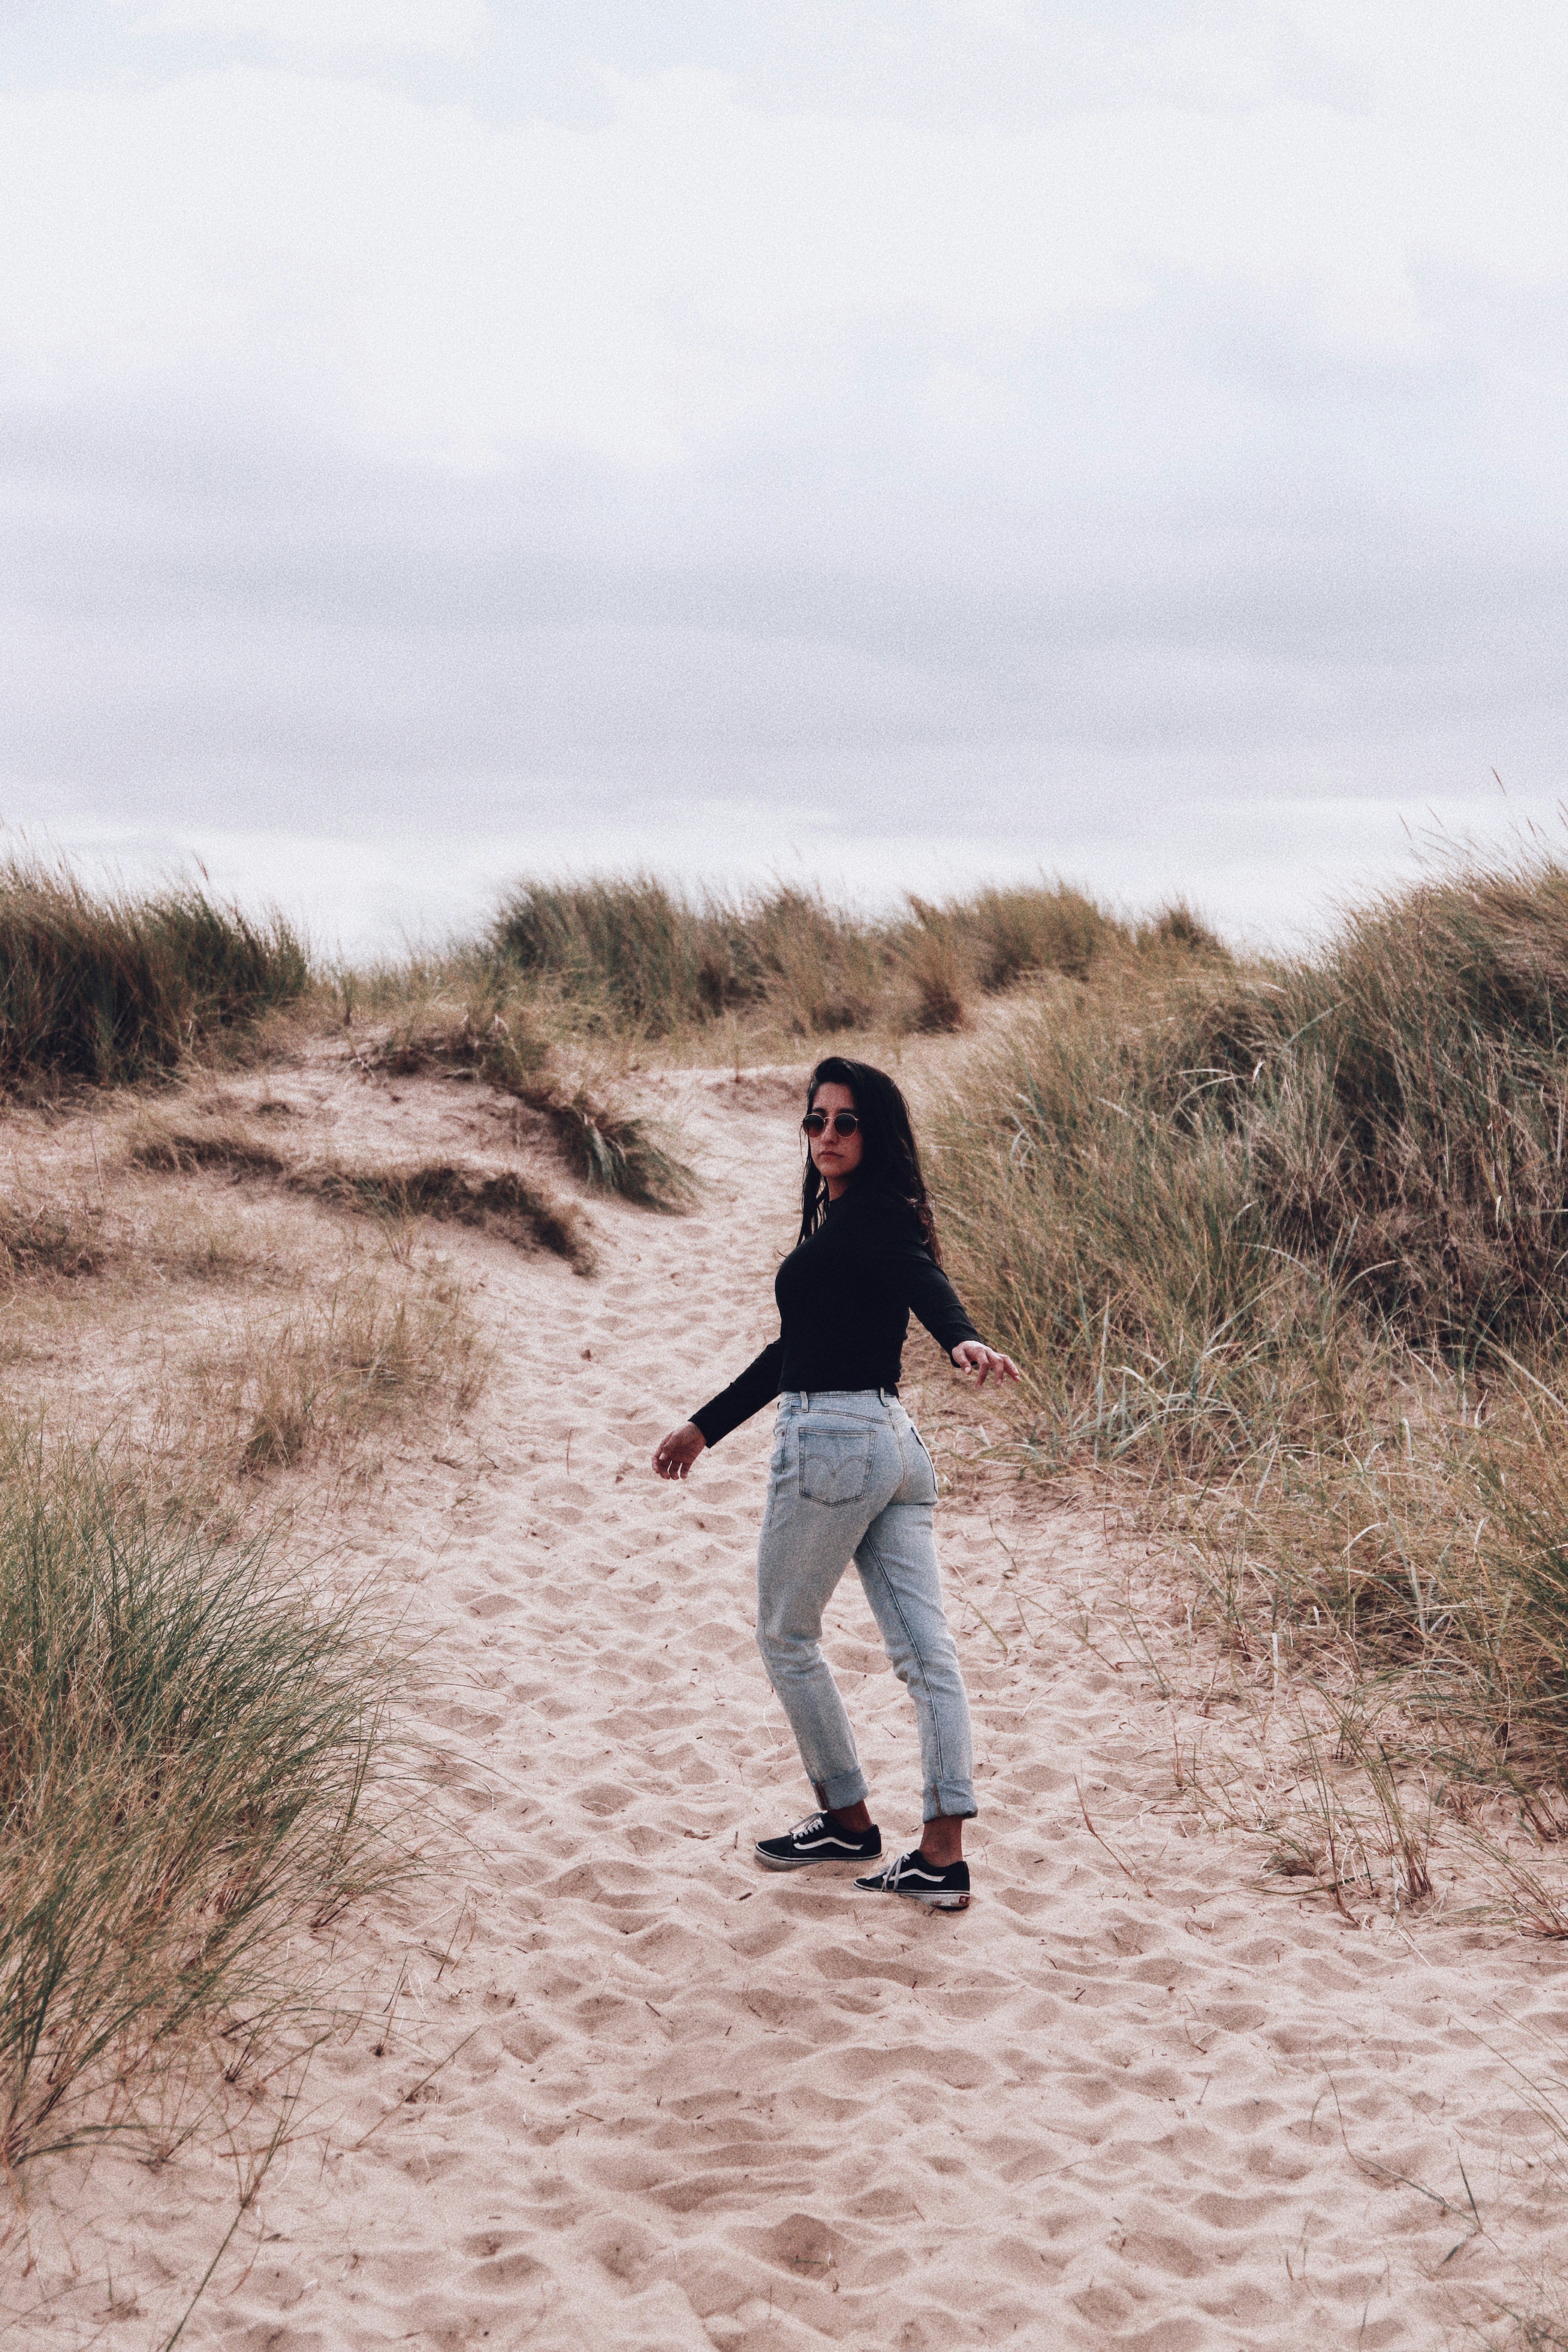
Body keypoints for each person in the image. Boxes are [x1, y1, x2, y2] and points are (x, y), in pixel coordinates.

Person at [652, 1056, 1020, 1910]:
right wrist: (704, 1427)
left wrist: (960, 1338)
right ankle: (939, 1858)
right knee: (929, 1660)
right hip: (892, 1447)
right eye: (814, 1121)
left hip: (834, 1446)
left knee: (785, 1636)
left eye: (844, 1122)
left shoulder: (876, 1220)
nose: (825, 1135)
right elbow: (792, 1350)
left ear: (874, 1133)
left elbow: (925, 1284)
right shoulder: (849, 1223)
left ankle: (849, 1820)